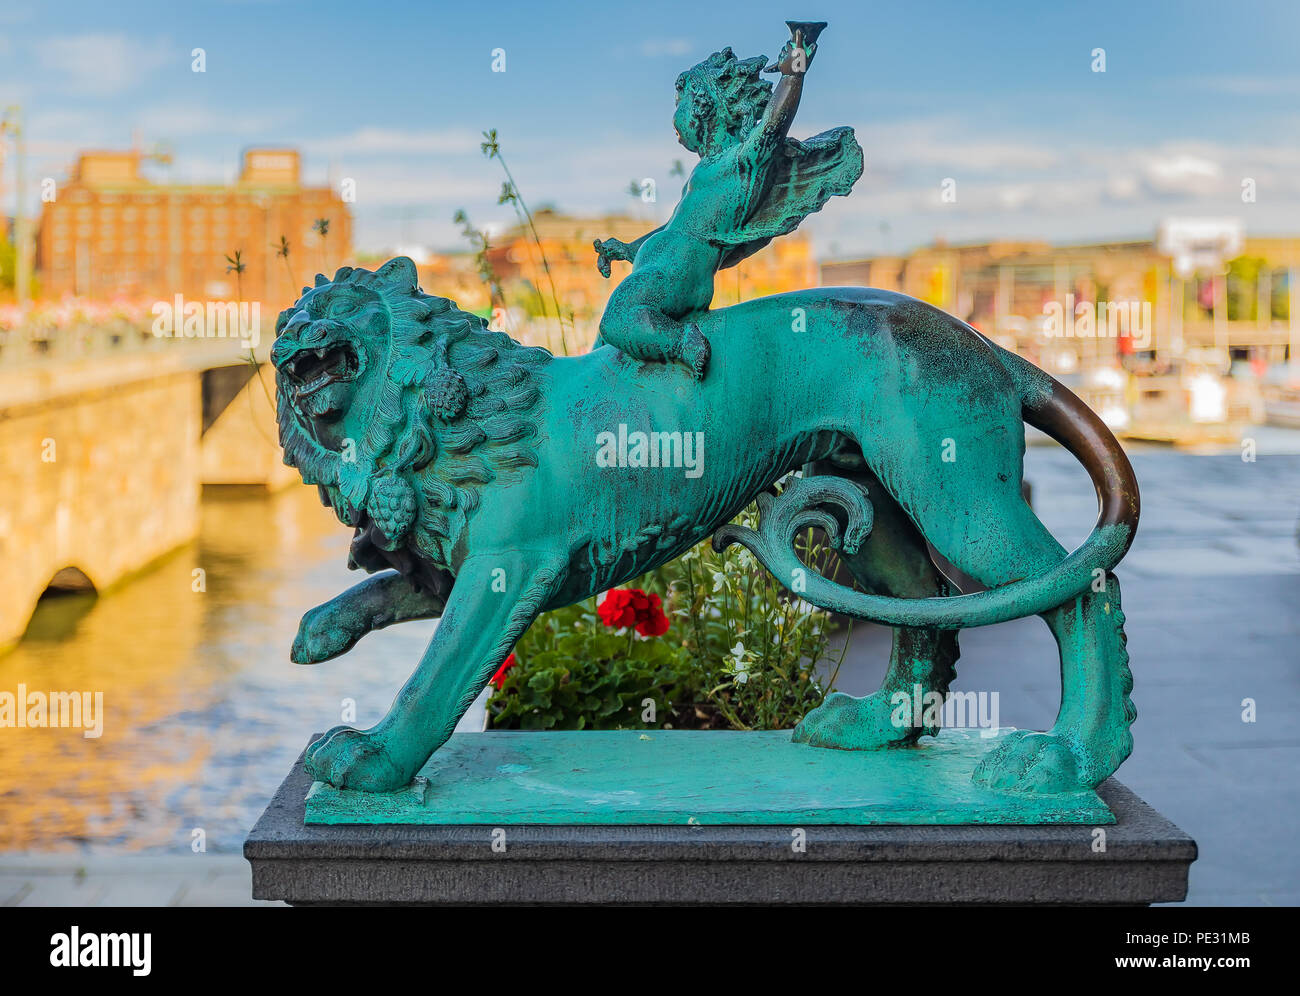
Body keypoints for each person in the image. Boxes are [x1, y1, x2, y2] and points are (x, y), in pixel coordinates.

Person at [593, 23, 863, 379]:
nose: (673, 118)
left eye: (680, 104)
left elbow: (772, 127)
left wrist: (794, 71)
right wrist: (627, 250)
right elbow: (675, 228)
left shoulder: (739, 166)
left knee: (618, 319)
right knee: (599, 351)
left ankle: (682, 343)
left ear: (702, 108)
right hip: (657, 271)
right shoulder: (706, 171)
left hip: (677, 278)